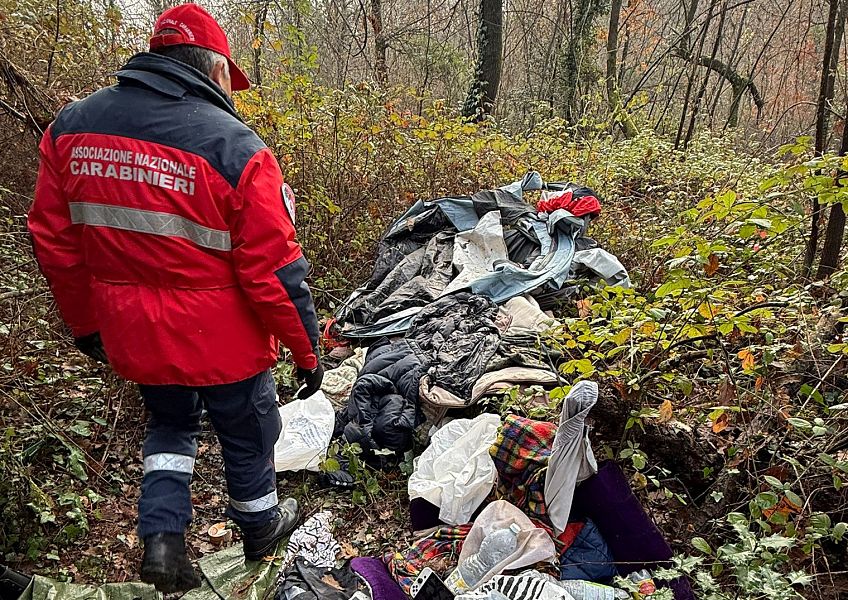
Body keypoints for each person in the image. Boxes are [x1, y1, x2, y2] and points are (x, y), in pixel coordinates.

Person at [27, 3, 324, 593]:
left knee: (168, 428)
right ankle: (261, 526)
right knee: (248, 429)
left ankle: (162, 541)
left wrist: (87, 326)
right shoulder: (236, 148)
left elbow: (53, 241)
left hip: (135, 331)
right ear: (213, 67)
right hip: (225, 339)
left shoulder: (71, 129)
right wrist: (306, 350)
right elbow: (274, 269)